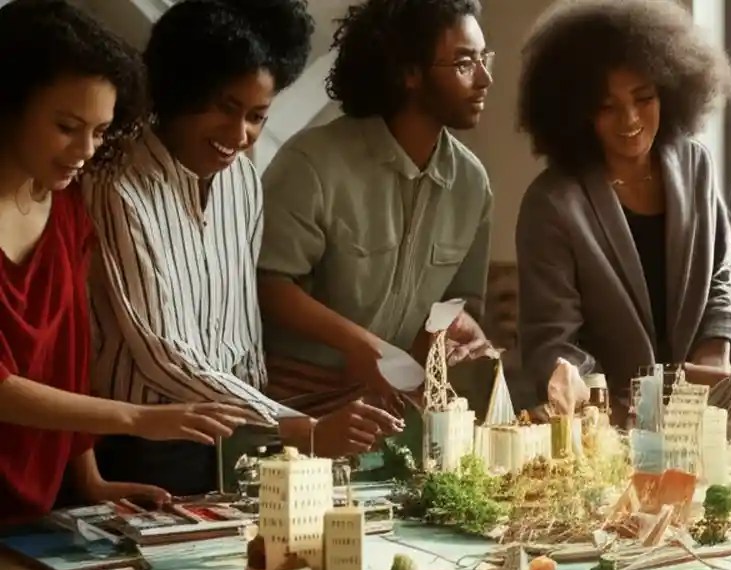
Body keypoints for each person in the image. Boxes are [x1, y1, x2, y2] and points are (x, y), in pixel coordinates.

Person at [83, 0, 402, 497]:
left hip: (247, 435)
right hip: (145, 446)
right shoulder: (117, 182)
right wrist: (299, 426)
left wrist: (276, 423)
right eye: (226, 109)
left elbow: (244, 324)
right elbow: (161, 355)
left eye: (256, 116)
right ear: (180, 90)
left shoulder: (244, 182)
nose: (239, 136)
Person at [0, 0, 252, 522]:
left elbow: (68, 354)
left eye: (100, 131)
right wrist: (136, 418)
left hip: (37, 503)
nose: (86, 150)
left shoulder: (66, 210)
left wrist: (90, 478)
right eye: (67, 126)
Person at [257, 0, 494, 414]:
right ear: (409, 73)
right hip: (297, 403)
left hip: (395, 406)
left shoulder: (472, 184)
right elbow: (268, 285)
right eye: (464, 63)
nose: (485, 77)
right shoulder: (312, 163)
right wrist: (360, 345)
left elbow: (459, 300)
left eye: (483, 58)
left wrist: (455, 327)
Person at [515, 0, 731, 415]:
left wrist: (716, 347)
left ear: (670, 92)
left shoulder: (696, 166)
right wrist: (602, 401)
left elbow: (719, 274)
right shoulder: (552, 204)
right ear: (576, 112)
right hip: (607, 428)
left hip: (702, 416)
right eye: (606, 105)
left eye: (644, 97)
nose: (630, 118)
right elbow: (551, 339)